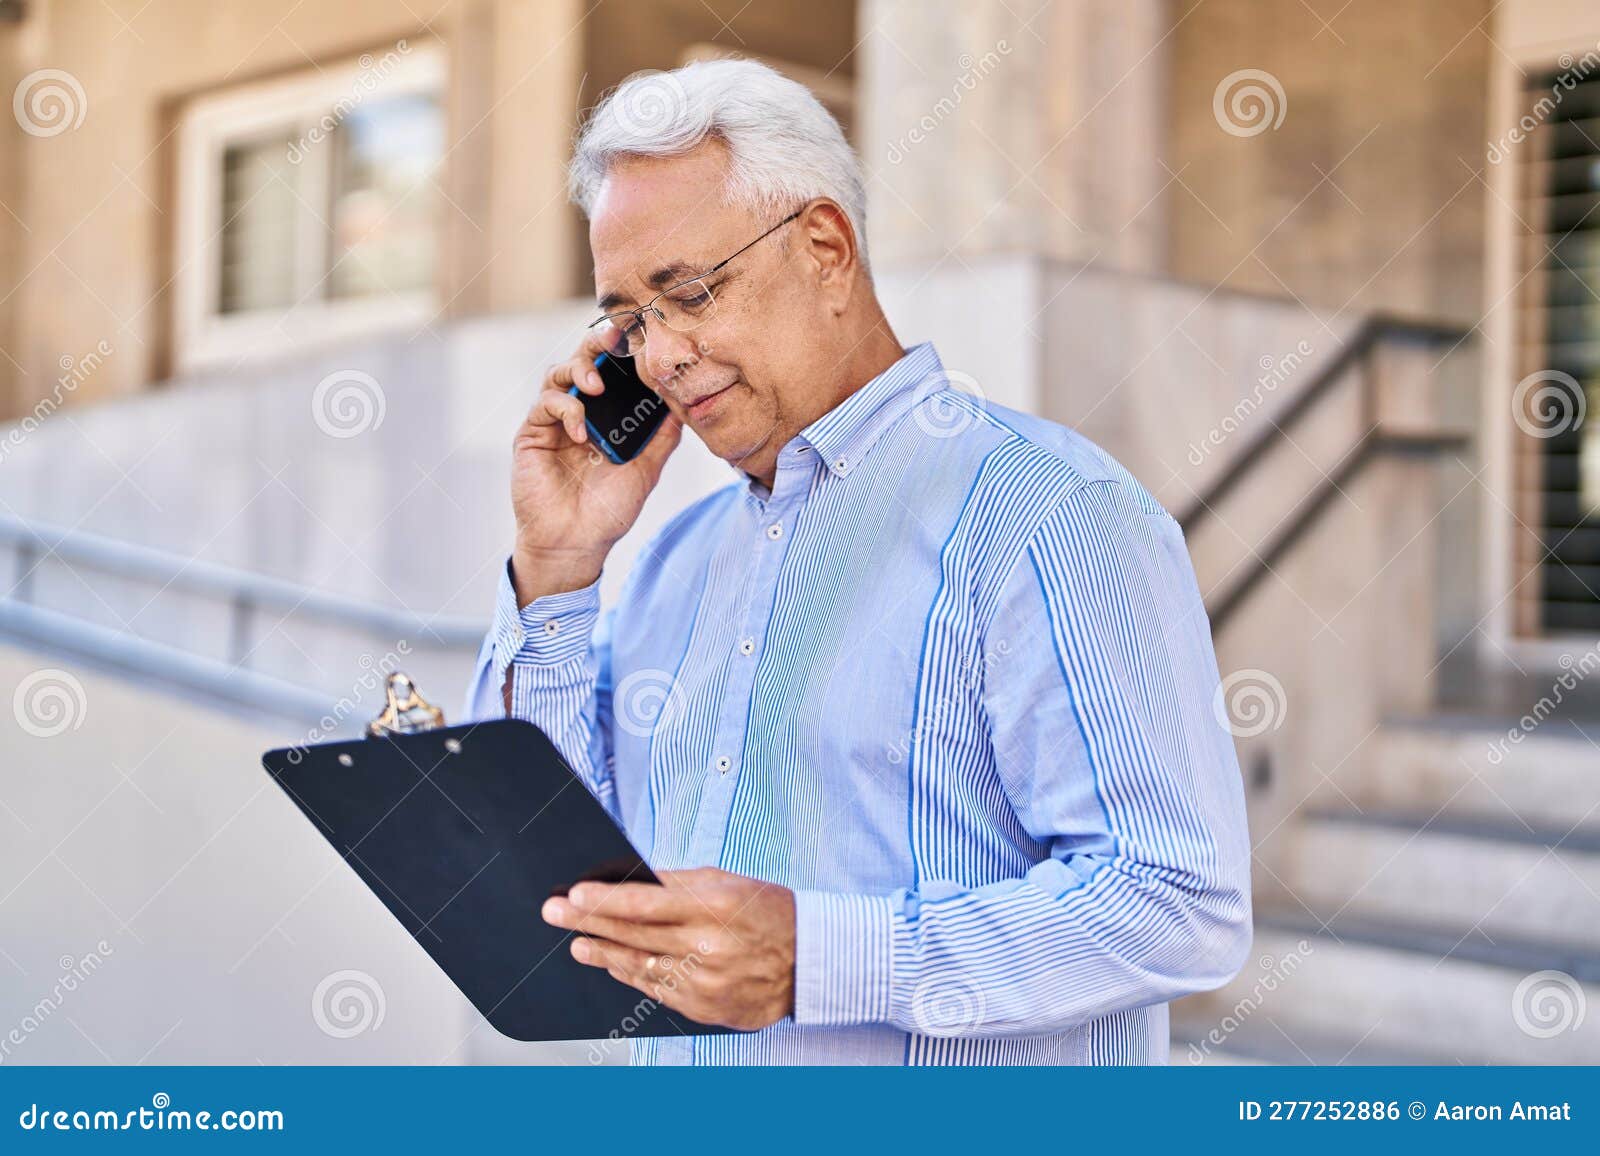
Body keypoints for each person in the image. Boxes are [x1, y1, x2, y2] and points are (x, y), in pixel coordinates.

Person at [464, 57, 1250, 1065]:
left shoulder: (1048, 512)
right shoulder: (664, 561)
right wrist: (558, 564)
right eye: (627, 318)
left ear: (826, 248)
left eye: (689, 293)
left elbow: (1176, 900)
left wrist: (818, 959)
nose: (657, 358)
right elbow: (555, 879)